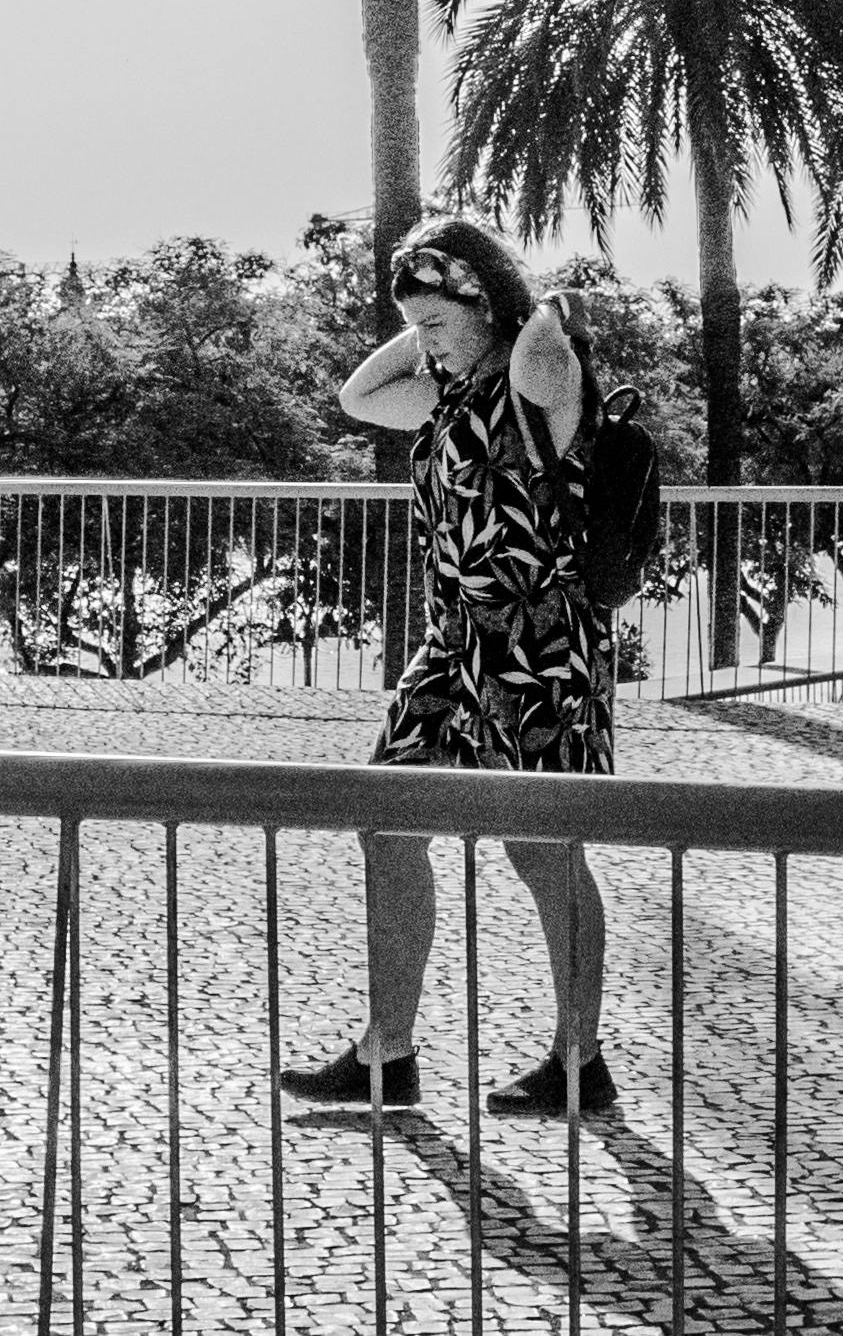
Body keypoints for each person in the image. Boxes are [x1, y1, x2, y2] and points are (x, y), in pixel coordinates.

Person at [276, 212, 617, 1120]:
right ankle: (388, 1054)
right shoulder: (447, 392)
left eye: (437, 321)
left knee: (541, 848)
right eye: (416, 327)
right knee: (388, 819)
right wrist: (428, 309)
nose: (421, 342)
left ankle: (579, 1060)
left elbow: (543, 330)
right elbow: (359, 394)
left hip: (541, 647)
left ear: (484, 304)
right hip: (455, 640)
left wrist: (504, 294)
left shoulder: (537, 377)